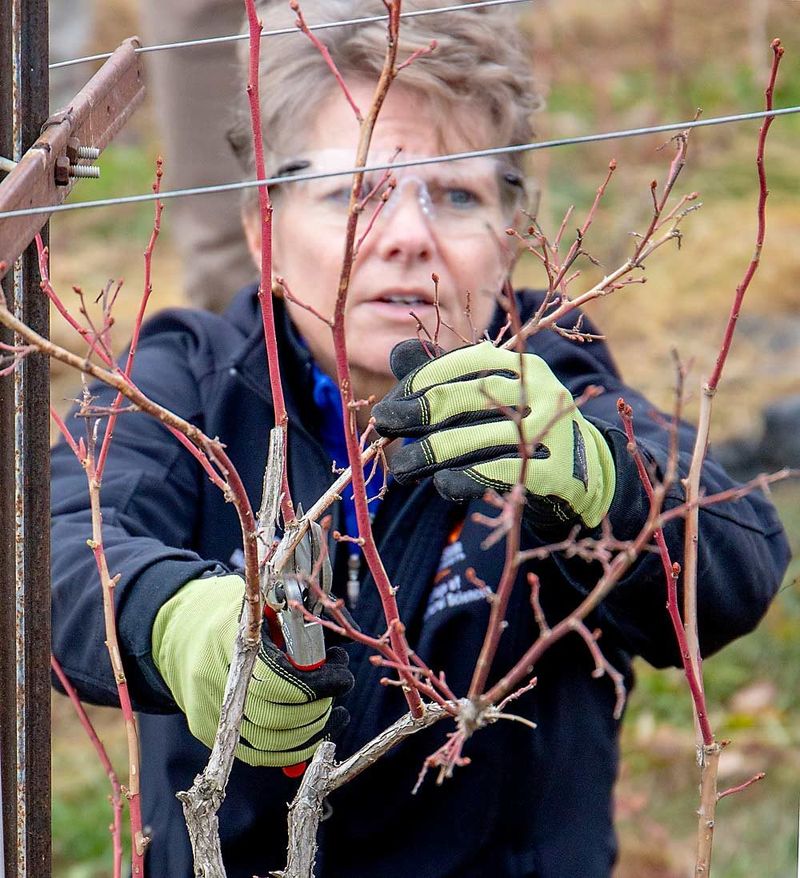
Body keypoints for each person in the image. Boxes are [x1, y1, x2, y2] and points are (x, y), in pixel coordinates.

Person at [50, 2, 790, 876]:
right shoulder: (188, 384)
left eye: (457, 193)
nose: (407, 237)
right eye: (351, 192)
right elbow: (54, 548)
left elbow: (738, 564)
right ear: (265, 233)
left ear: (509, 238)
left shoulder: (558, 385)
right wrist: (178, 623)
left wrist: (617, 484)